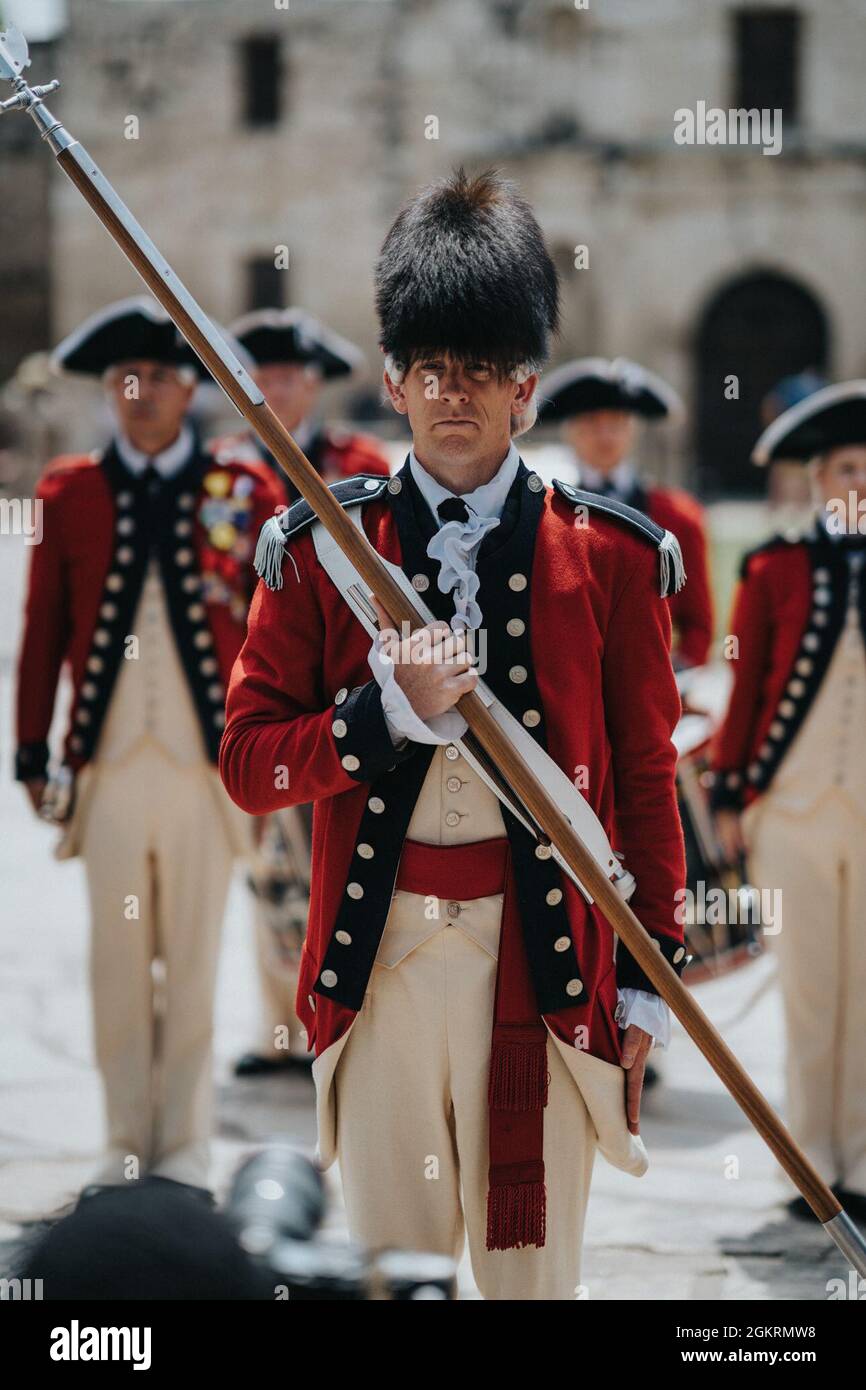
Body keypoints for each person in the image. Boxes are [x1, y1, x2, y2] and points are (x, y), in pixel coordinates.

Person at [220, 168, 688, 1299]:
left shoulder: (613, 558)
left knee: (531, 1286)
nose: (453, 393)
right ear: (391, 377)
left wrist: (642, 982)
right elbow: (247, 763)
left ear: (525, 384)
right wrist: (381, 715)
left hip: (546, 965)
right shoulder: (322, 550)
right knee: (396, 1278)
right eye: (430, 367)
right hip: (373, 968)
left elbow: (642, 777)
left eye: (479, 368)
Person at [14, 296, 283, 1193]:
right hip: (112, 766)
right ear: (107, 390)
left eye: (160, 377)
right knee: (118, 964)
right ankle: (124, 1144)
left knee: (198, 962)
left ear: (189, 392)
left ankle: (186, 1151)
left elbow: (276, 629)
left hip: (209, 767)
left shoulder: (241, 493)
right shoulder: (69, 491)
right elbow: (42, 627)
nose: (141, 392)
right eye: (124, 378)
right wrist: (30, 748)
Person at [213, 307, 391, 1078]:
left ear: (313, 384)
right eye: (266, 377)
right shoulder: (227, 472)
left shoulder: (358, 458)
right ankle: (278, 1029)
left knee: (344, 856)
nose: (278, 389)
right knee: (268, 873)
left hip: (348, 694)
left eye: (290, 377)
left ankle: (342, 1015)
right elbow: (220, 577)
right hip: (267, 689)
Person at [709, 381, 866, 1223]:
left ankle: (865, 1160)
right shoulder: (775, 567)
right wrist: (730, 788)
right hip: (795, 813)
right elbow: (747, 690)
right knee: (810, 992)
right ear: (816, 477)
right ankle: (812, 1163)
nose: (862, 485)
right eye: (848, 469)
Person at [538, 357, 713, 669]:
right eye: (591, 422)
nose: (605, 435)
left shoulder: (678, 516)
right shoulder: (546, 516)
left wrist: (677, 678)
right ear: (571, 432)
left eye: (617, 421)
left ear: (632, 430)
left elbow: (699, 624)